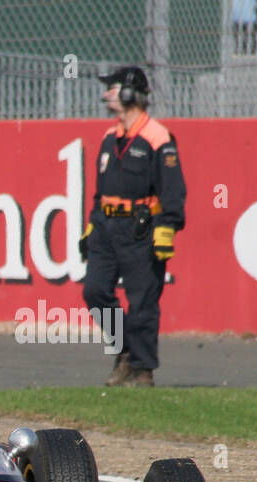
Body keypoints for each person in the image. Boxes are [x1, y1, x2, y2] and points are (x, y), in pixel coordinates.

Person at [80, 66, 186, 387]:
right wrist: (91, 226)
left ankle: (142, 370)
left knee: (143, 301)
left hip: (142, 229)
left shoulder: (158, 137)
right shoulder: (109, 137)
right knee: (95, 290)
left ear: (129, 93)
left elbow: (173, 190)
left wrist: (166, 227)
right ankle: (125, 348)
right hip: (106, 225)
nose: (107, 93)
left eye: (112, 88)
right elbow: (100, 191)